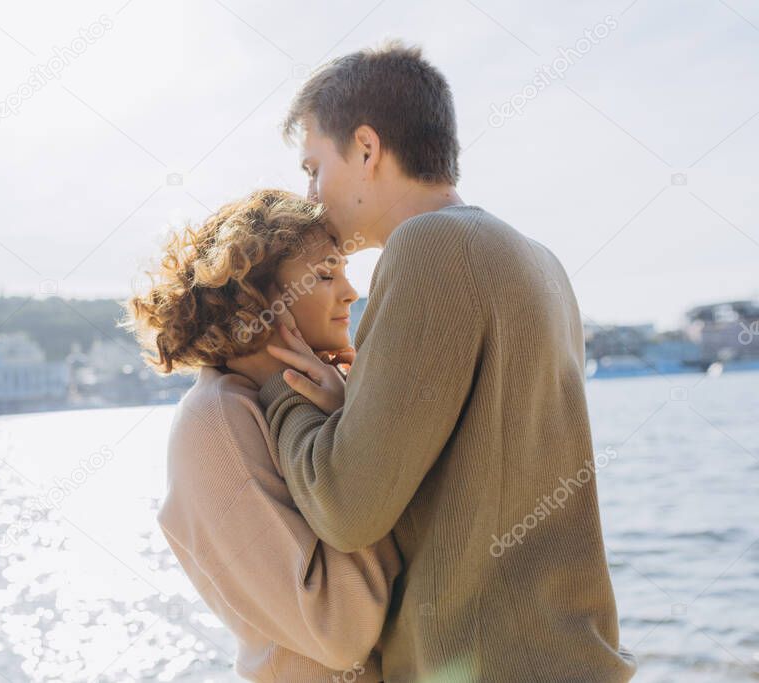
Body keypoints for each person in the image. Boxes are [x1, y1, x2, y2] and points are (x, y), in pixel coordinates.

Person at [228, 42, 639, 682]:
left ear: (366, 149)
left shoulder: (431, 245)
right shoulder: (537, 258)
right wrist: (350, 409)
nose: (310, 196)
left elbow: (346, 508)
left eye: (314, 168)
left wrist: (276, 387)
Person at [124, 189, 402, 682]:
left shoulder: (265, 399)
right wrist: (323, 413)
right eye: (324, 274)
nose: (351, 292)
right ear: (260, 298)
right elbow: (340, 630)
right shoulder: (217, 421)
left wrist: (340, 411)